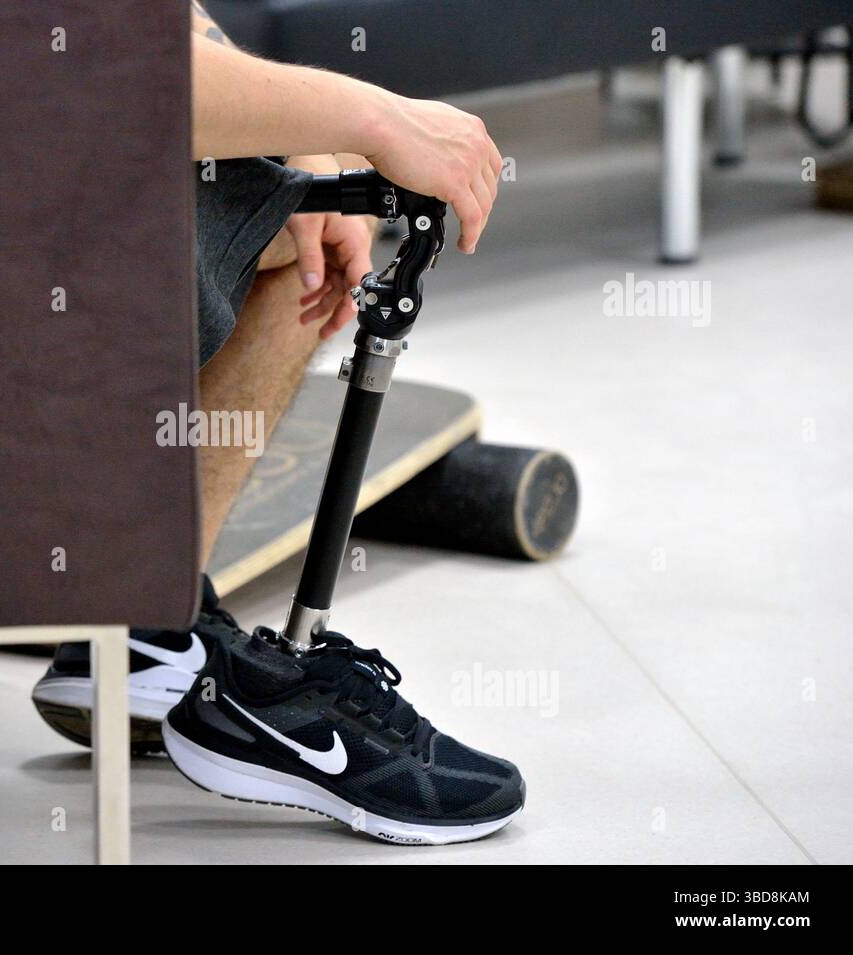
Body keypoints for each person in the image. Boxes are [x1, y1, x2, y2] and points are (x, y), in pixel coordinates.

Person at [32, 4, 522, 845]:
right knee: (301, 207)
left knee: (311, 202)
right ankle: (163, 617)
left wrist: (297, 156)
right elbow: (110, 66)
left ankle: (151, 611)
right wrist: (377, 120)